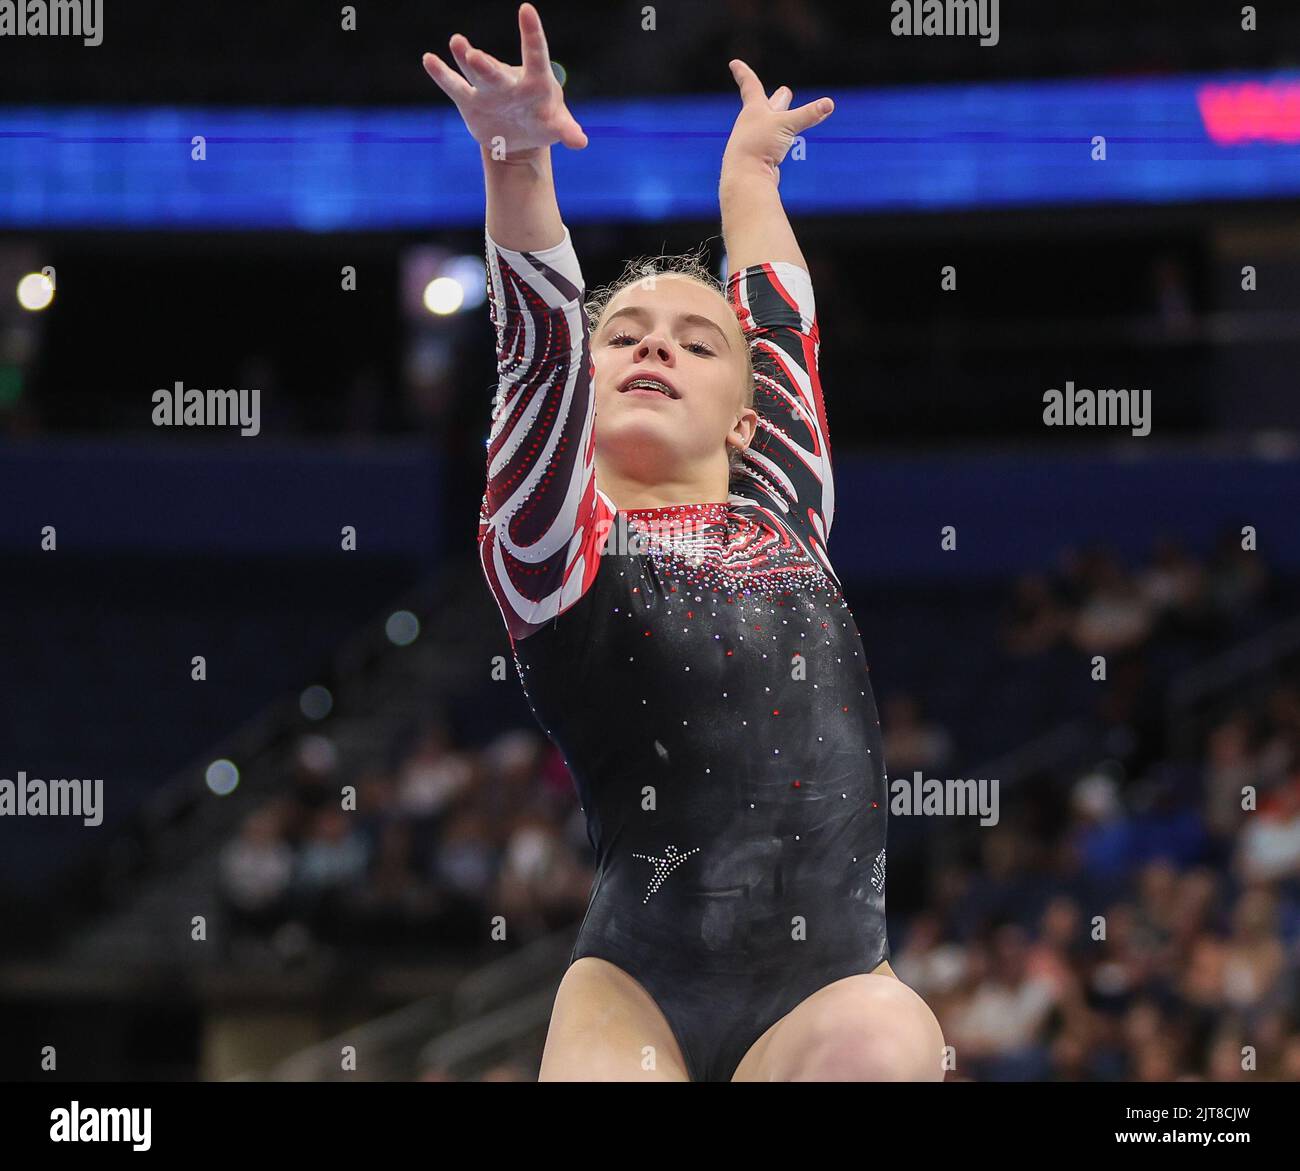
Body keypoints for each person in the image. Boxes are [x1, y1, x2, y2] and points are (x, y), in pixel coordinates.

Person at [423, 1, 944, 1081]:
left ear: (748, 418)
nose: (656, 345)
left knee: (885, 1050)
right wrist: (516, 160)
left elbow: (783, 318)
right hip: (636, 987)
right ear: (591, 380)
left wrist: (752, 179)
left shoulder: (783, 501)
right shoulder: (547, 549)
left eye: (696, 342)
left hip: (830, 984)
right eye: (625, 336)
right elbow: (534, 356)